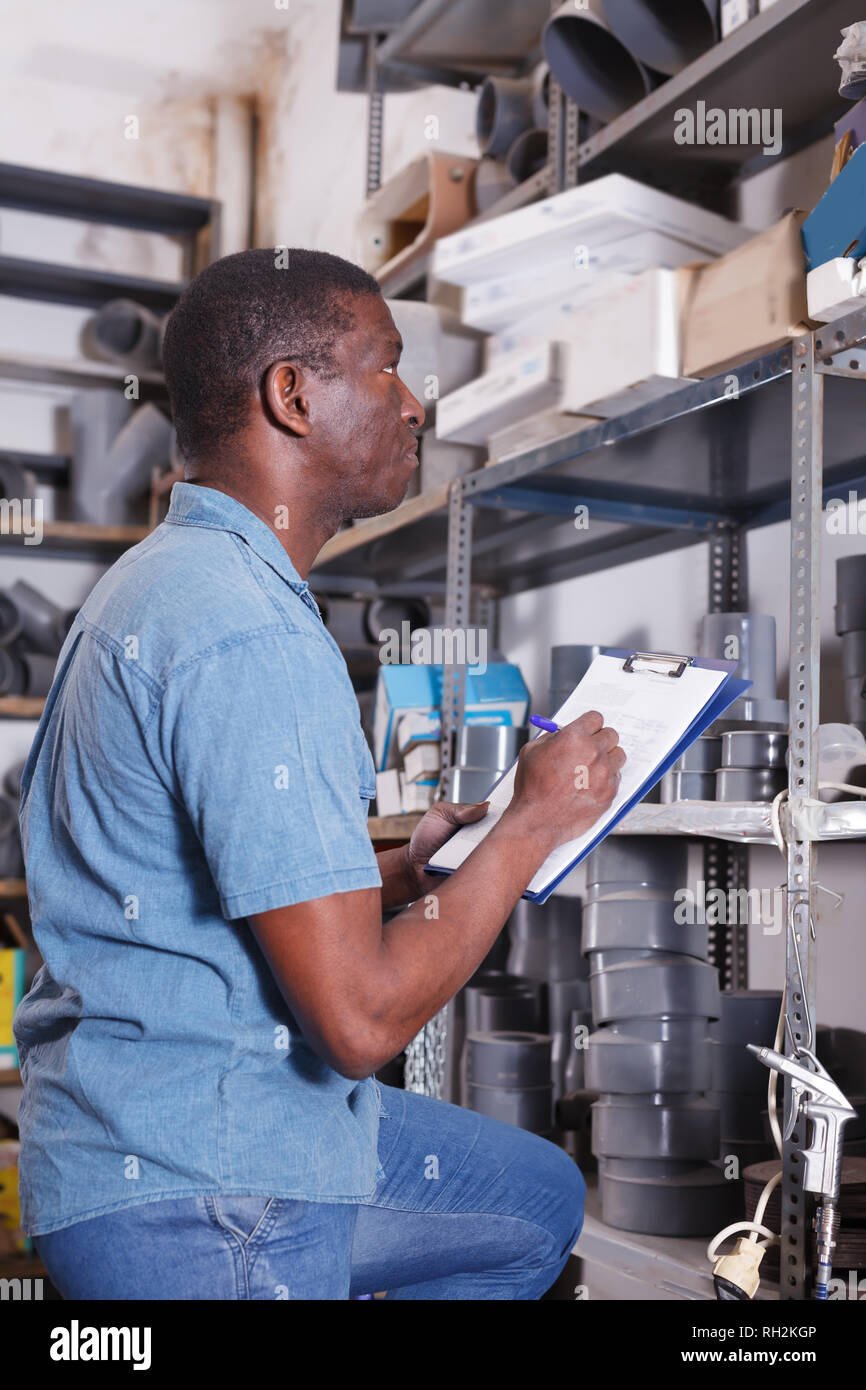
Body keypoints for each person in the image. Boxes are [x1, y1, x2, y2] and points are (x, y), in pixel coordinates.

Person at [13, 248, 625, 1300]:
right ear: (292, 396)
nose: (415, 403)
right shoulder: (245, 628)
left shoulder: (157, 587)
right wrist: (531, 822)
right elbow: (358, 1023)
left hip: (119, 1147)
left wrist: (398, 876)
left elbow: (188, 891)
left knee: (532, 1198)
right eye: (387, 367)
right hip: (209, 1192)